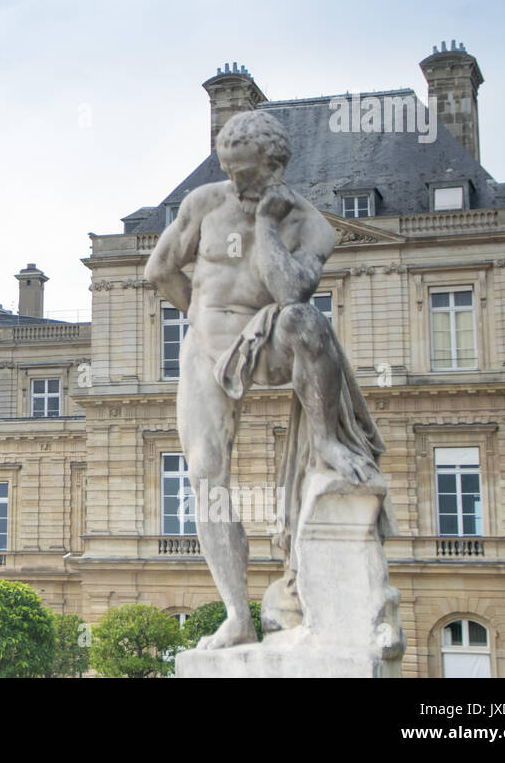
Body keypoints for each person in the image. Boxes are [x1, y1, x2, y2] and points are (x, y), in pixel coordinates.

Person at [144, 109, 393, 650]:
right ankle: (237, 614)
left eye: (246, 172)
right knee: (206, 475)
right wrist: (201, 319)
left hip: (267, 335)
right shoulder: (204, 203)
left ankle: (326, 438)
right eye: (228, 169)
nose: (235, 182)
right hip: (205, 346)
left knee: (308, 322)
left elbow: (291, 294)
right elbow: (158, 269)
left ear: (274, 165)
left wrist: (264, 226)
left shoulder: (310, 225)